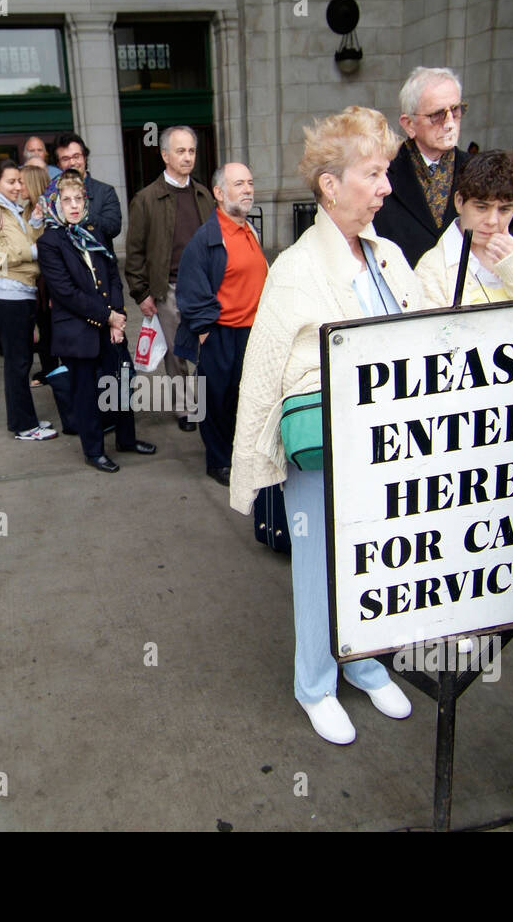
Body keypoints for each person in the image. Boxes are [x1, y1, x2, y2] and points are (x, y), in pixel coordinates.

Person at [230, 107, 419, 745]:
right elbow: (261, 372)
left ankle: (363, 661)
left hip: (386, 446)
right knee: (317, 567)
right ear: (331, 186)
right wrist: (254, 464)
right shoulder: (295, 269)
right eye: (374, 173)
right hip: (323, 448)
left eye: (387, 172)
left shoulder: (389, 253)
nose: (386, 187)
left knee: (371, 561)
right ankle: (315, 683)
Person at [37, 170, 156, 470]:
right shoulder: (50, 241)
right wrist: (108, 318)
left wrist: (119, 316)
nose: (74, 205)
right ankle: (93, 451)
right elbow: (66, 292)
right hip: (78, 330)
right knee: (87, 392)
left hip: (111, 323)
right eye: (67, 200)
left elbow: (113, 276)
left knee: (122, 383)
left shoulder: (96, 231)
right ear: (56, 203)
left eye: (79, 199)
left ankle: (126, 440)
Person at [174, 162, 267, 487]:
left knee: (247, 399)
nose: (247, 189)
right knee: (216, 401)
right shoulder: (206, 239)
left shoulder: (249, 230)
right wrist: (203, 331)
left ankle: (243, 455)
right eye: (238, 183)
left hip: (253, 333)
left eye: (250, 183)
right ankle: (219, 461)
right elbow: (190, 290)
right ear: (218, 192)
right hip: (220, 334)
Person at [125, 125, 214, 431]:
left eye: (191, 150)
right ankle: (186, 409)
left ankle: (210, 403)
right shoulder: (146, 199)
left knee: (210, 349)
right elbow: (134, 252)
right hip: (169, 288)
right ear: (165, 155)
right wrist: (141, 293)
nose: (187, 157)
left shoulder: (204, 194)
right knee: (178, 353)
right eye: (180, 151)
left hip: (204, 287)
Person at [414, 150, 513, 307]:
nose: (492, 221)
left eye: (504, 210)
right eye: (482, 208)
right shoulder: (433, 267)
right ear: (459, 202)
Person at [0, 158, 56, 440]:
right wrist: (31, 253)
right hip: (10, 293)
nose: (17, 186)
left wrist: (33, 224)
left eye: (19, 181)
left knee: (21, 359)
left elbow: (23, 242)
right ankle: (24, 426)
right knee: (17, 362)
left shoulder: (12, 209)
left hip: (24, 290)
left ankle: (27, 420)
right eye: (11, 182)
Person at [372, 66, 470, 267]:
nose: (450, 123)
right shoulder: (381, 173)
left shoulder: (477, 172)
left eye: (455, 110)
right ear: (409, 124)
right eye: (437, 115)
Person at [20, 165, 56, 384]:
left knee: (52, 328)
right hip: (36, 280)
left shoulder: (50, 210)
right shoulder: (25, 210)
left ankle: (55, 371)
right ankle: (49, 370)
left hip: (51, 280)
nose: (18, 186)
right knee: (43, 328)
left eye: (21, 182)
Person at [52, 132, 122, 241]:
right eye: (65, 159)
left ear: (85, 158)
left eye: (76, 156)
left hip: (98, 256)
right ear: (58, 164)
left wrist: (84, 214)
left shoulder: (105, 191)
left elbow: (113, 228)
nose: (72, 162)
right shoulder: (52, 193)